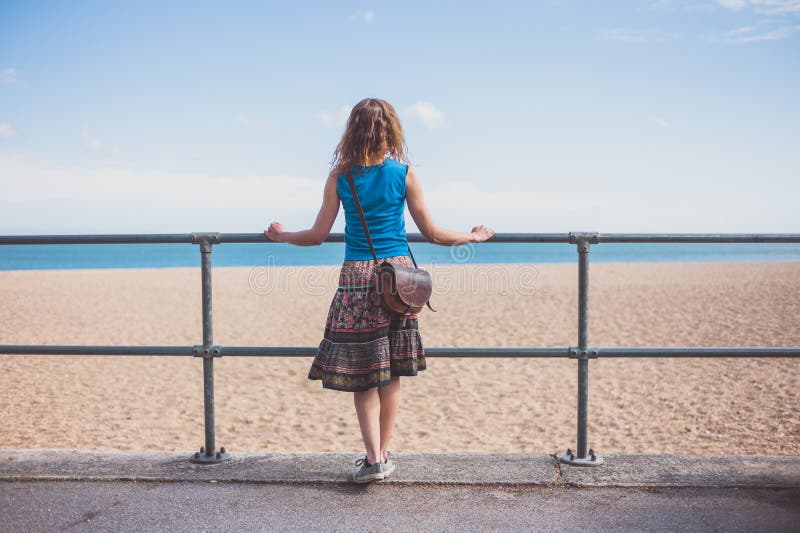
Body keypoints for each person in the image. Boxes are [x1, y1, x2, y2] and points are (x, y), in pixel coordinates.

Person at [264, 97, 494, 483]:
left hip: (357, 278)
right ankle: (384, 454)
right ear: (391, 130)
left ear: (352, 130)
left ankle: (372, 458)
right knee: (392, 372)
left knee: (365, 371)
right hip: (398, 280)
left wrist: (282, 235)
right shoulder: (404, 174)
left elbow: (318, 234)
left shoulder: (341, 176)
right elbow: (434, 233)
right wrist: (474, 236)